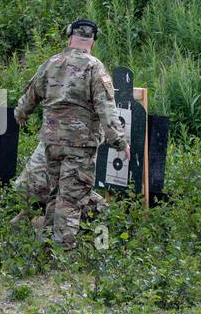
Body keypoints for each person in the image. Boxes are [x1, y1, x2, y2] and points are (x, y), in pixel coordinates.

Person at [14, 20, 127, 250]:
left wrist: (21, 114)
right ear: (92, 42)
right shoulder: (95, 68)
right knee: (71, 199)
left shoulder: (51, 63)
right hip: (80, 145)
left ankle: (45, 246)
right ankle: (62, 252)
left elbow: (29, 96)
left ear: (69, 37)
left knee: (55, 194)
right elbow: (106, 107)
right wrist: (119, 141)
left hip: (51, 143)